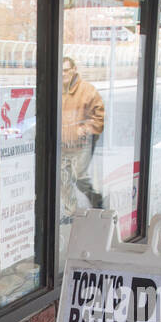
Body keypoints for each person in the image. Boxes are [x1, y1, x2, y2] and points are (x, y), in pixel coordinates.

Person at [61, 56, 105, 211]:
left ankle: (95, 199)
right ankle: (71, 210)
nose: (63, 74)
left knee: (80, 177)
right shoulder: (57, 90)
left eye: (66, 70)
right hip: (62, 145)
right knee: (63, 179)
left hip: (81, 145)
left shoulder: (87, 91)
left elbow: (99, 117)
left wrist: (86, 129)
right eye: (61, 71)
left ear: (73, 70)